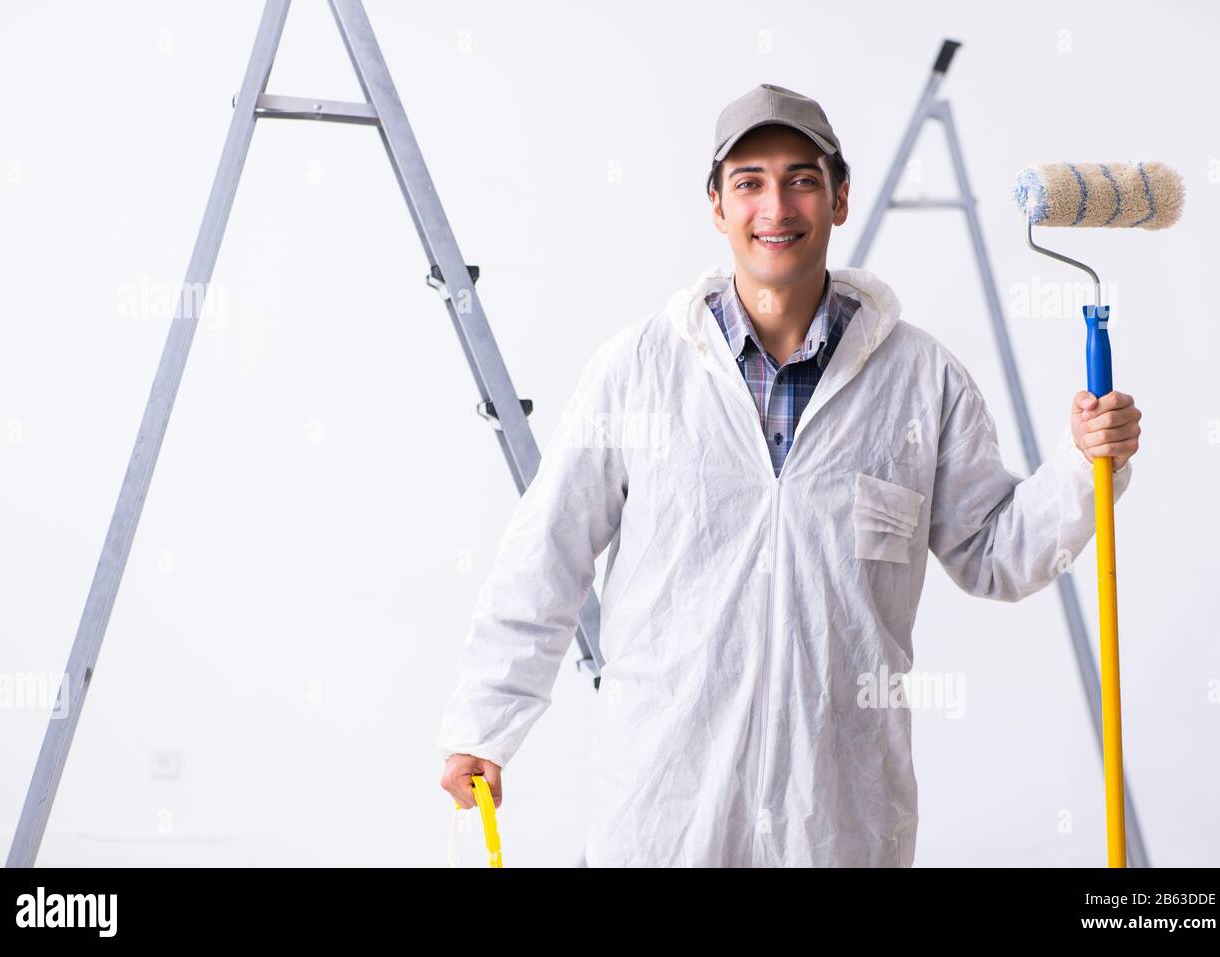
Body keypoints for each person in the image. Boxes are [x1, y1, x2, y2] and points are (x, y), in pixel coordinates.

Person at [436, 84, 1142, 866]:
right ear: (716, 206)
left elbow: (995, 551)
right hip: (665, 815)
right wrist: (484, 726)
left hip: (838, 821)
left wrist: (1086, 465)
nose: (777, 205)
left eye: (802, 178)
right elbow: (547, 554)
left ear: (841, 198)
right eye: (749, 182)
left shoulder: (921, 381)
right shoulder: (638, 373)